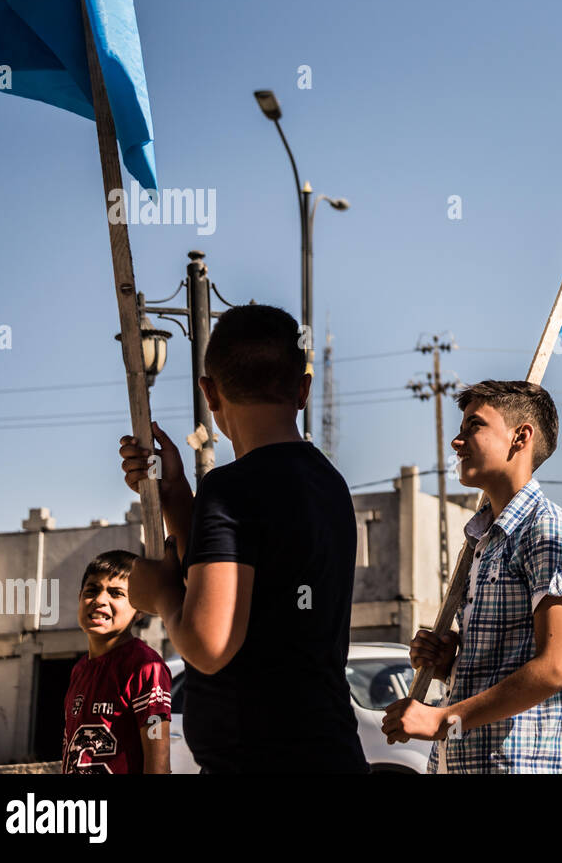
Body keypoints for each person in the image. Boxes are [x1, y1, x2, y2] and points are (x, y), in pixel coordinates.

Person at [119, 304, 367, 773]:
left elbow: (210, 646)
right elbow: (235, 571)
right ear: (304, 389)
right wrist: (175, 495)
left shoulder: (231, 488)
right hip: (331, 752)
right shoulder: (329, 484)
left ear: (209, 393)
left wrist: (163, 596)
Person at [381, 380, 562, 773]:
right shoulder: (484, 539)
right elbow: (507, 662)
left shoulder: (545, 529)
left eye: (473, 426)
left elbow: (555, 667)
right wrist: (450, 664)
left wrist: (441, 719)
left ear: (520, 437)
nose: (456, 443)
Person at [63, 551, 172, 774]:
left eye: (116, 593)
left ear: (139, 609)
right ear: (79, 598)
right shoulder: (79, 671)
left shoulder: (146, 668)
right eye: (92, 590)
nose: (100, 600)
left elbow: (158, 768)